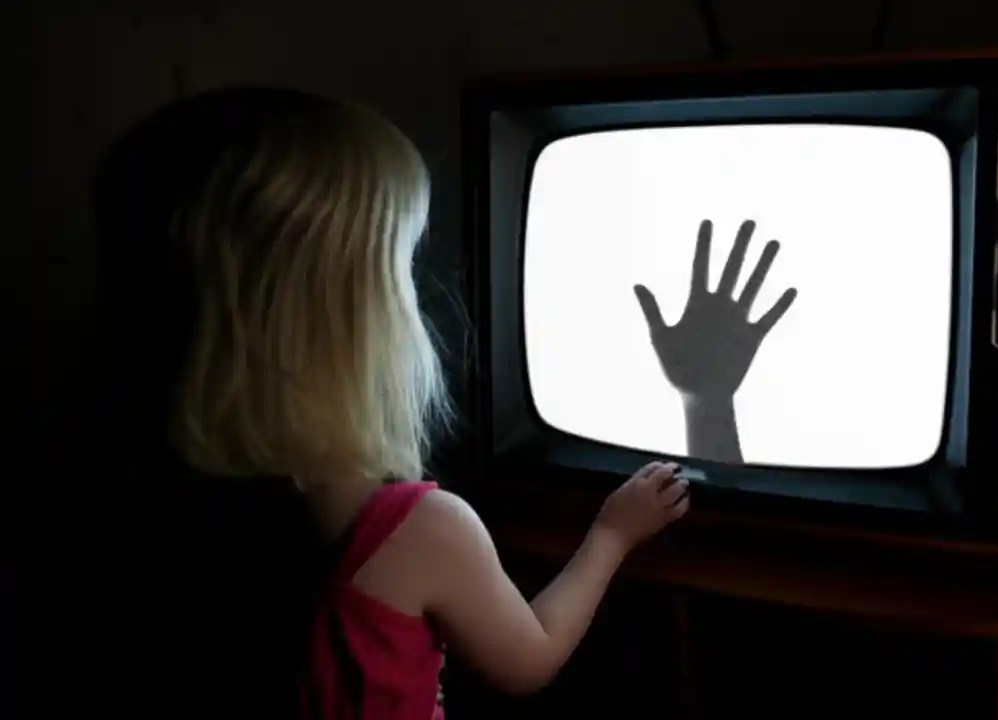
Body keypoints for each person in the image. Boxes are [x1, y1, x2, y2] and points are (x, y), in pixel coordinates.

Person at [93, 87, 690, 719]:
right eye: (398, 266)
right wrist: (613, 532)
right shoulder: (420, 530)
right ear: (346, 323)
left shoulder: (117, 496)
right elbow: (531, 657)